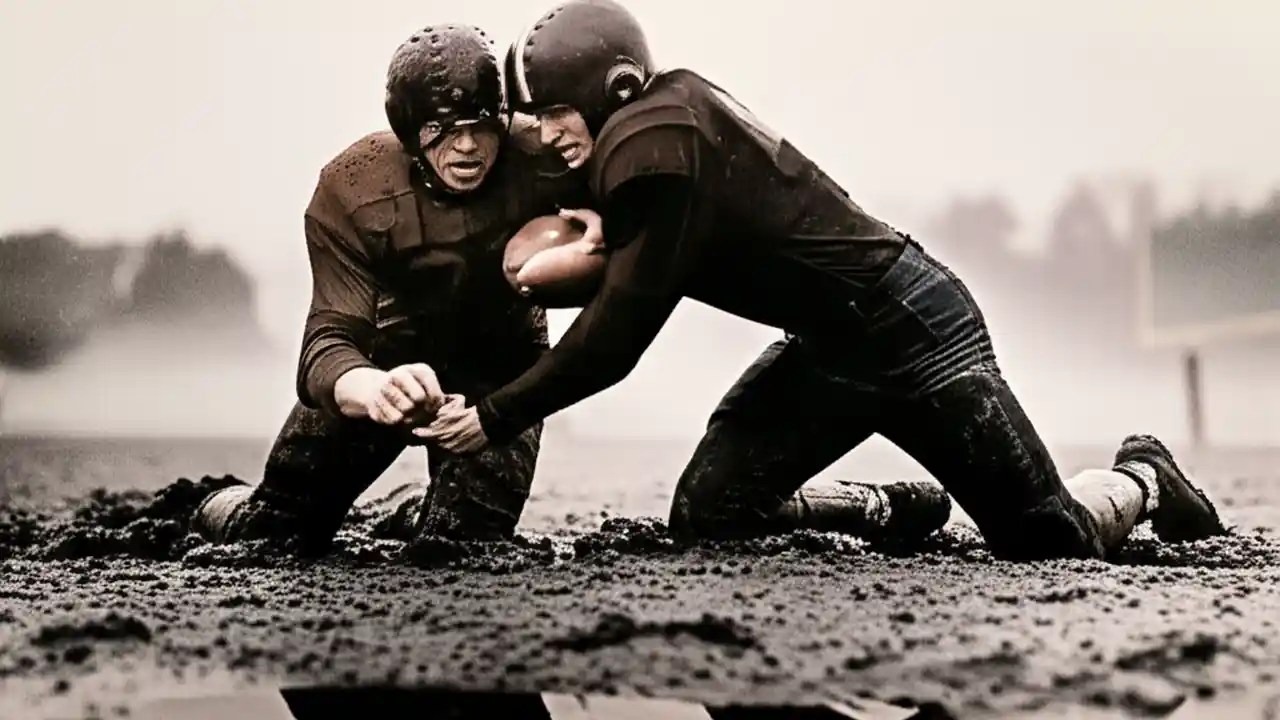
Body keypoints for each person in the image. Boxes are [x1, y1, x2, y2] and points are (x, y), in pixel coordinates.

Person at [419, 0, 1229, 560]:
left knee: (1051, 540)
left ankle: (1142, 476)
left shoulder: (650, 145)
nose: (547, 134)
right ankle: (891, 509)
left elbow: (618, 338)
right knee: (711, 517)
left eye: (556, 114)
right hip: (831, 345)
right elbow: (621, 183)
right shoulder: (658, 120)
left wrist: (497, 414)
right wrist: (584, 200)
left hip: (915, 333)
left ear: (614, 90)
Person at [191, 23, 596, 556]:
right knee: (273, 536)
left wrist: (601, 224)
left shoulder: (545, 150)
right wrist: (373, 390)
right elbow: (325, 345)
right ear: (409, 130)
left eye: (481, 124)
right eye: (442, 128)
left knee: (462, 543)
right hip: (387, 360)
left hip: (499, 369)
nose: (469, 145)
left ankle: (418, 510)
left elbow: (638, 195)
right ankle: (218, 504)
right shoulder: (353, 189)